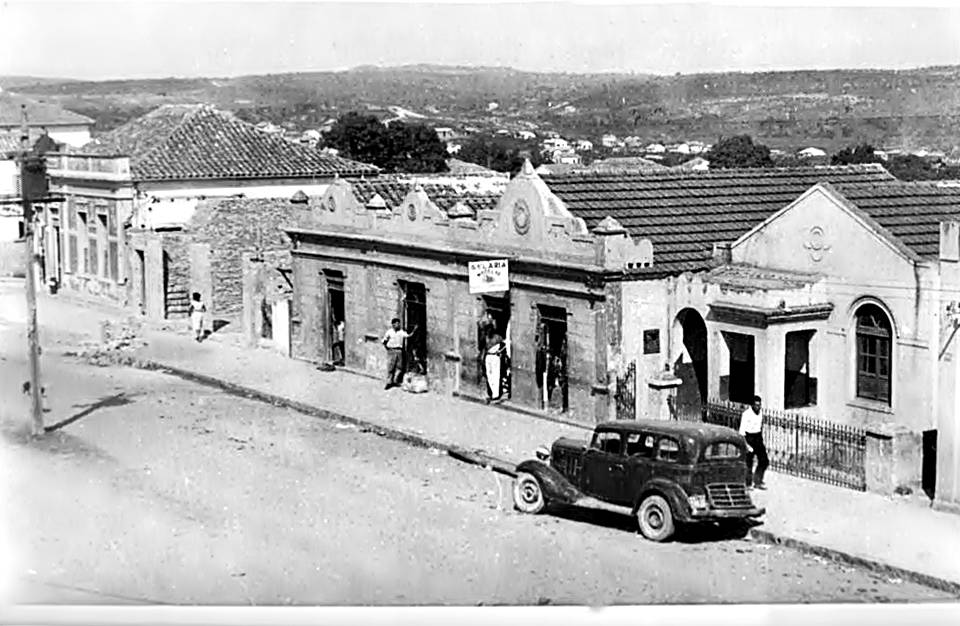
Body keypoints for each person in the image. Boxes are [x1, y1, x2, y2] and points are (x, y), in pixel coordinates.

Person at [739, 395, 769, 490]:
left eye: (759, 405)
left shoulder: (760, 413)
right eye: (756, 405)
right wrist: (747, 445)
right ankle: (748, 483)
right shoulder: (746, 414)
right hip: (749, 438)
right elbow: (742, 431)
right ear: (752, 405)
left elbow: (760, 427)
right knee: (749, 463)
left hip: (758, 438)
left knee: (764, 461)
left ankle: (758, 481)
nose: (758, 407)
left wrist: (761, 440)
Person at [382, 317, 410, 389]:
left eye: (399, 323)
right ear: (393, 324)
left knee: (399, 367)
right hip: (391, 350)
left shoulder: (401, 332)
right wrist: (387, 348)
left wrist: (414, 330)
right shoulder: (389, 332)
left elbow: (408, 336)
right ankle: (389, 382)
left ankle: (395, 381)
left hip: (399, 350)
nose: (398, 325)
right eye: (397, 324)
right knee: (391, 367)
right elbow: (384, 341)